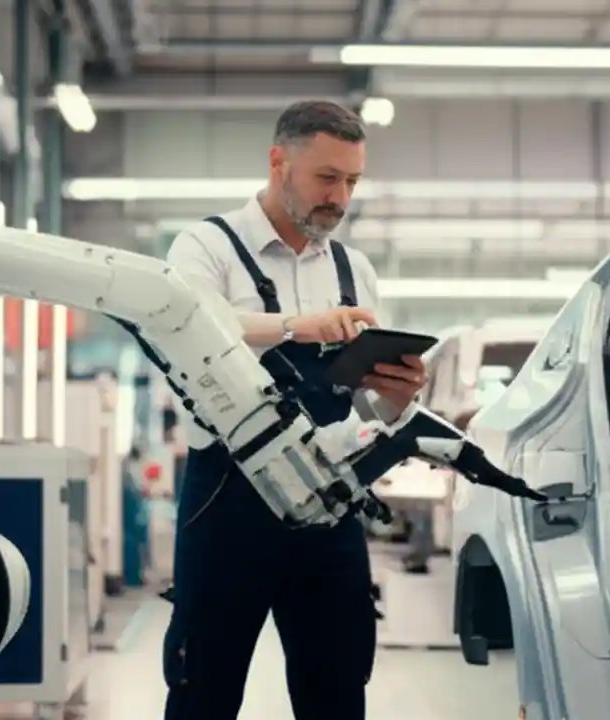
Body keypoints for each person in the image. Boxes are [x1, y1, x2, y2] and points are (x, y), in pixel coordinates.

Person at [160, 99, 428, 720]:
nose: (340, 198)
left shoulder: (354, 270)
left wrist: (394, 397)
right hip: (227, 506)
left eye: (352, 182)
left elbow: (364, 409)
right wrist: (296, 326)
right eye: (326, 178)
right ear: (279, 162)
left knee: (337, 687)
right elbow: (186, 326)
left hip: (329, 505)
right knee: (203, 688)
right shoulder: (207, 247)